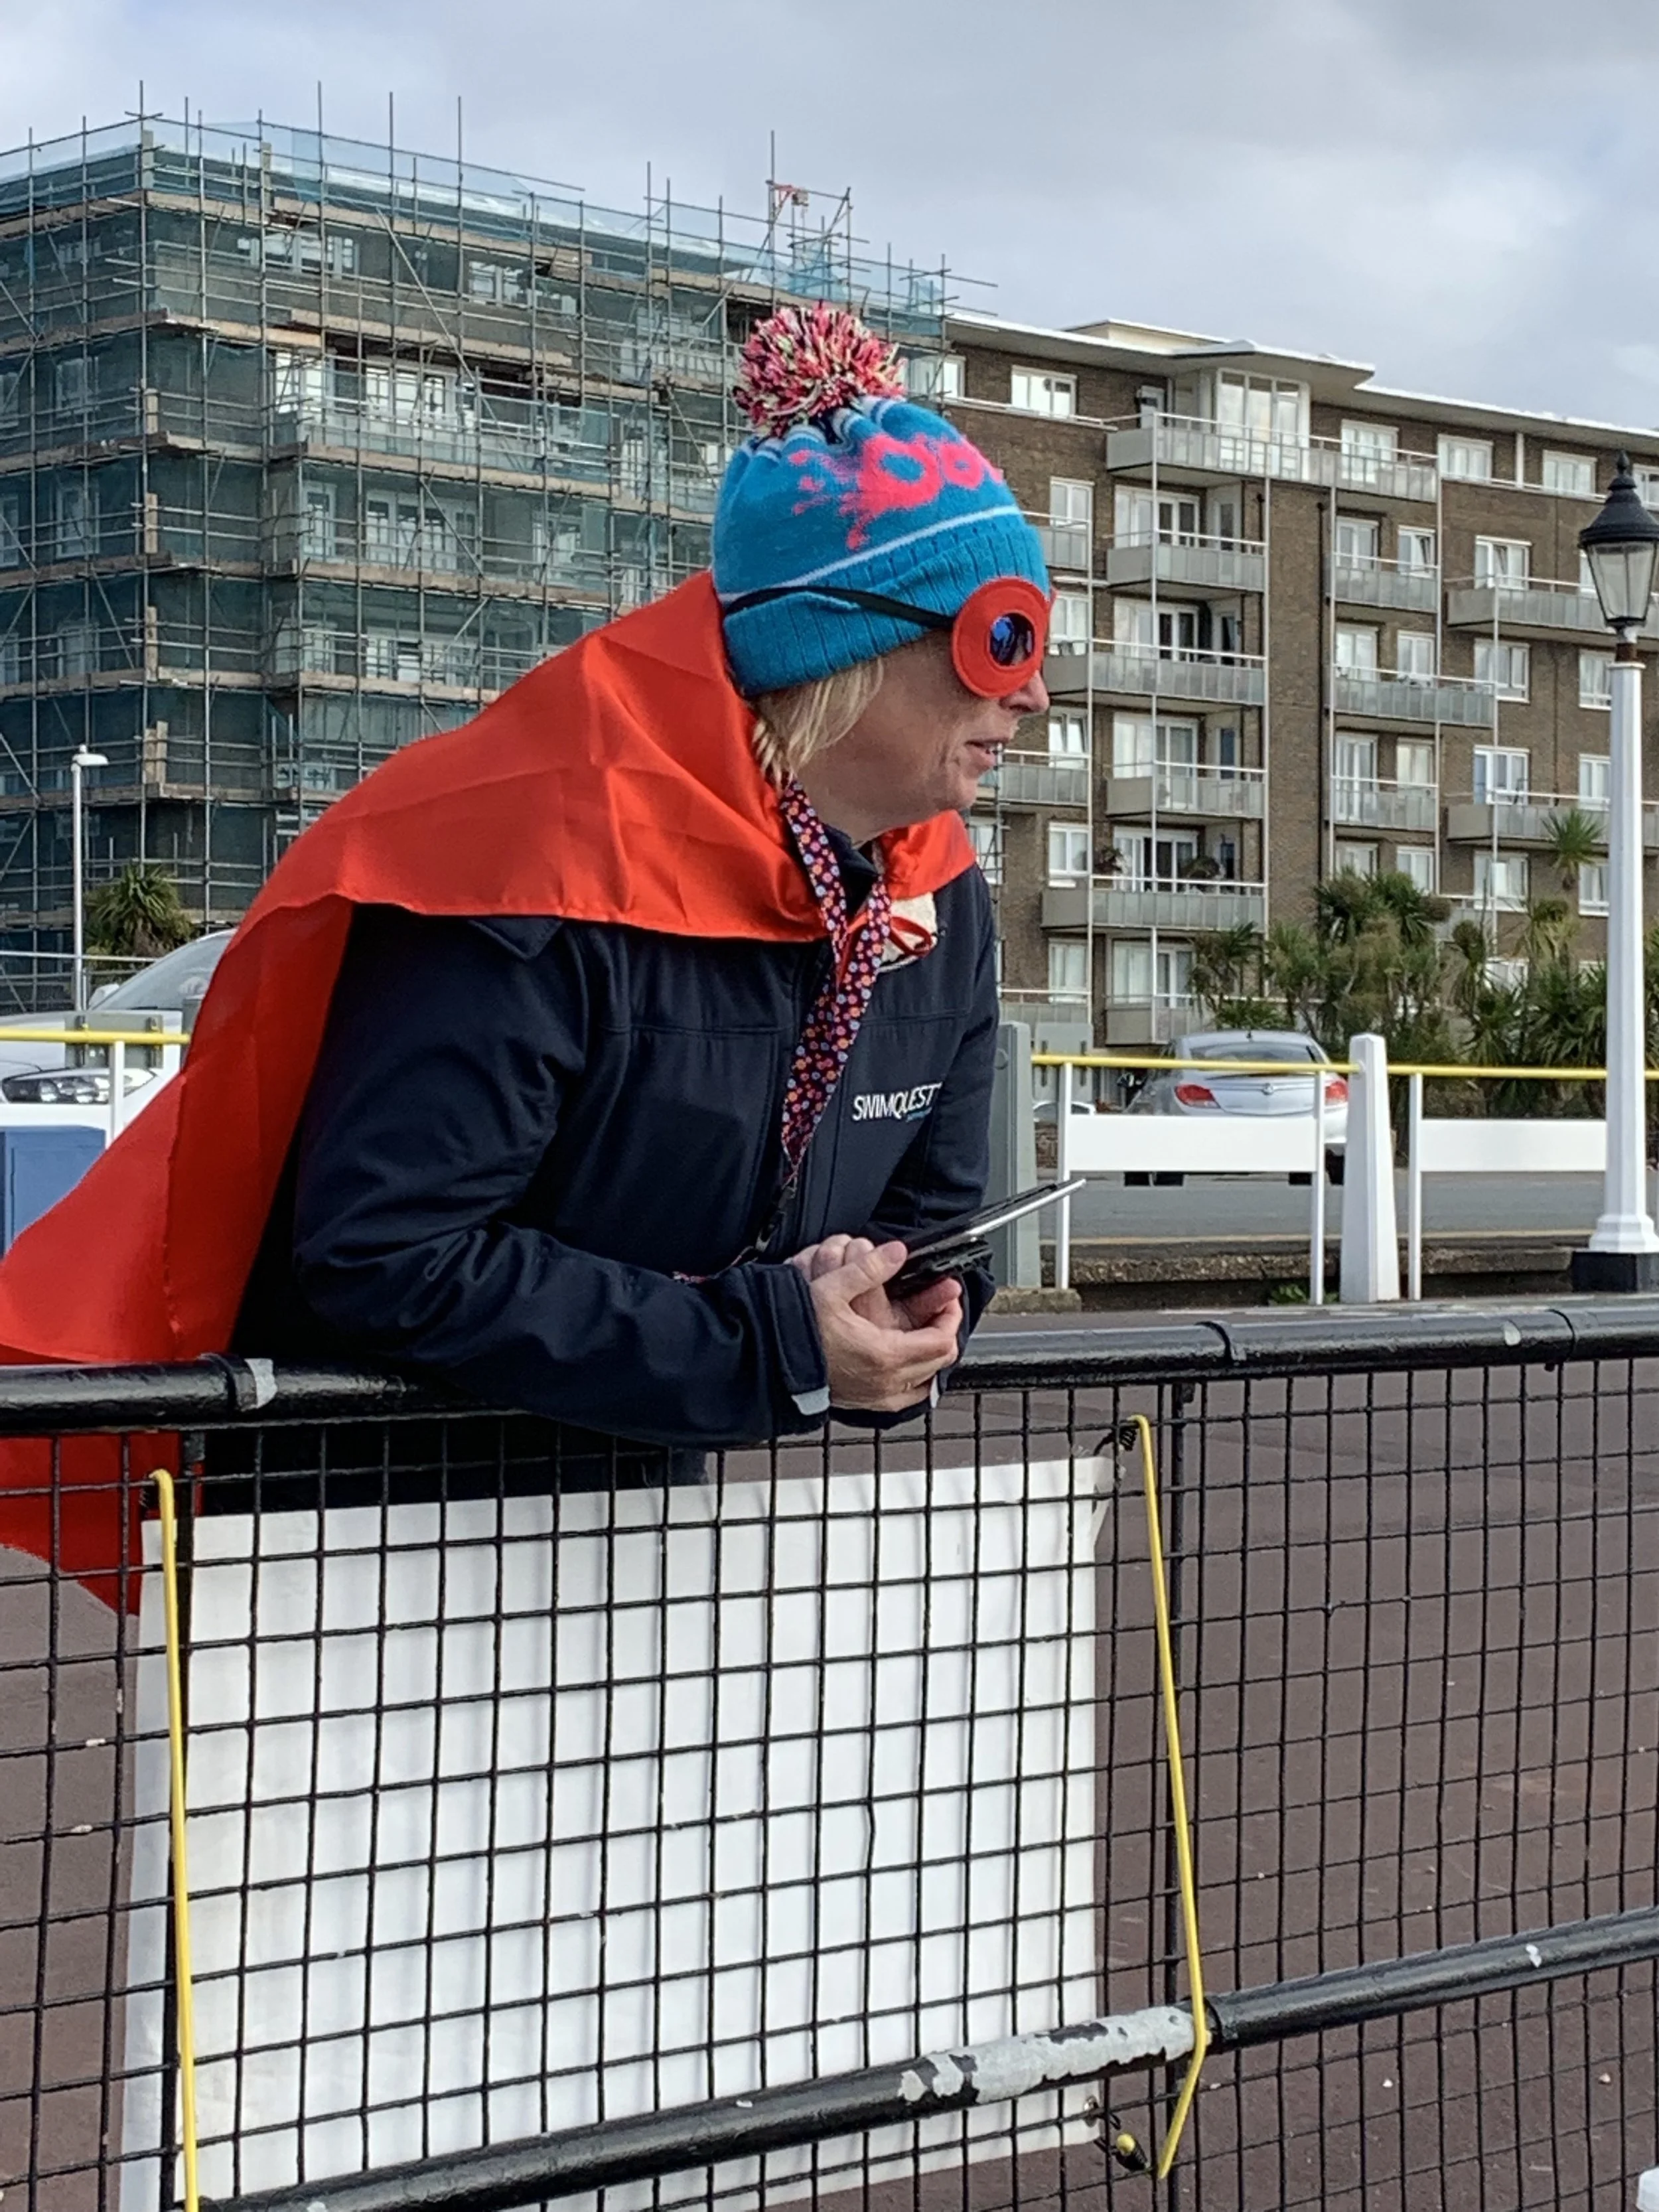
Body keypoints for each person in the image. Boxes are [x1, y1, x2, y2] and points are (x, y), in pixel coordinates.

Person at [0, 305, 1050, 1582]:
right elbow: (387, 1253)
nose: (1033, 694)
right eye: (1004, 637)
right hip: (361, 1540)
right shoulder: (531, 863)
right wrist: (765, 1346)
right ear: (844, 646)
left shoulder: (938, 899)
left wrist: (905, 1310)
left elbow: (929, 1218)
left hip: (634, 1511)